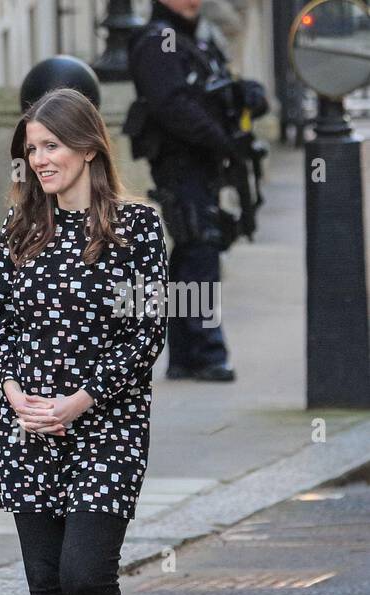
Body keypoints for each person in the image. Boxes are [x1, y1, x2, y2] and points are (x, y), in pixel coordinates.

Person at [0, 88, 168, 595]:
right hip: (29, 433)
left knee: (87, 575)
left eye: (51, 146)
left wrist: (82, 399)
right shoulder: (19, 230)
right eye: (31, 149)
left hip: (106, 426)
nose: (40, 160)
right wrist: (13, 388)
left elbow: (146, 337)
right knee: (48, 591)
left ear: (87, 146)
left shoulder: (137, 228)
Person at [127, 0, 267, 382]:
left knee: (194, 252)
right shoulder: (159, 41)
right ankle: (206, 352)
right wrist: (222, 141)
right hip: (181, 165)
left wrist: (249, 95)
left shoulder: (196, 41)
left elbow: (218, 90)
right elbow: (171, 105)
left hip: (204, 165)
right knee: (199, 249)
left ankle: (187, 355)